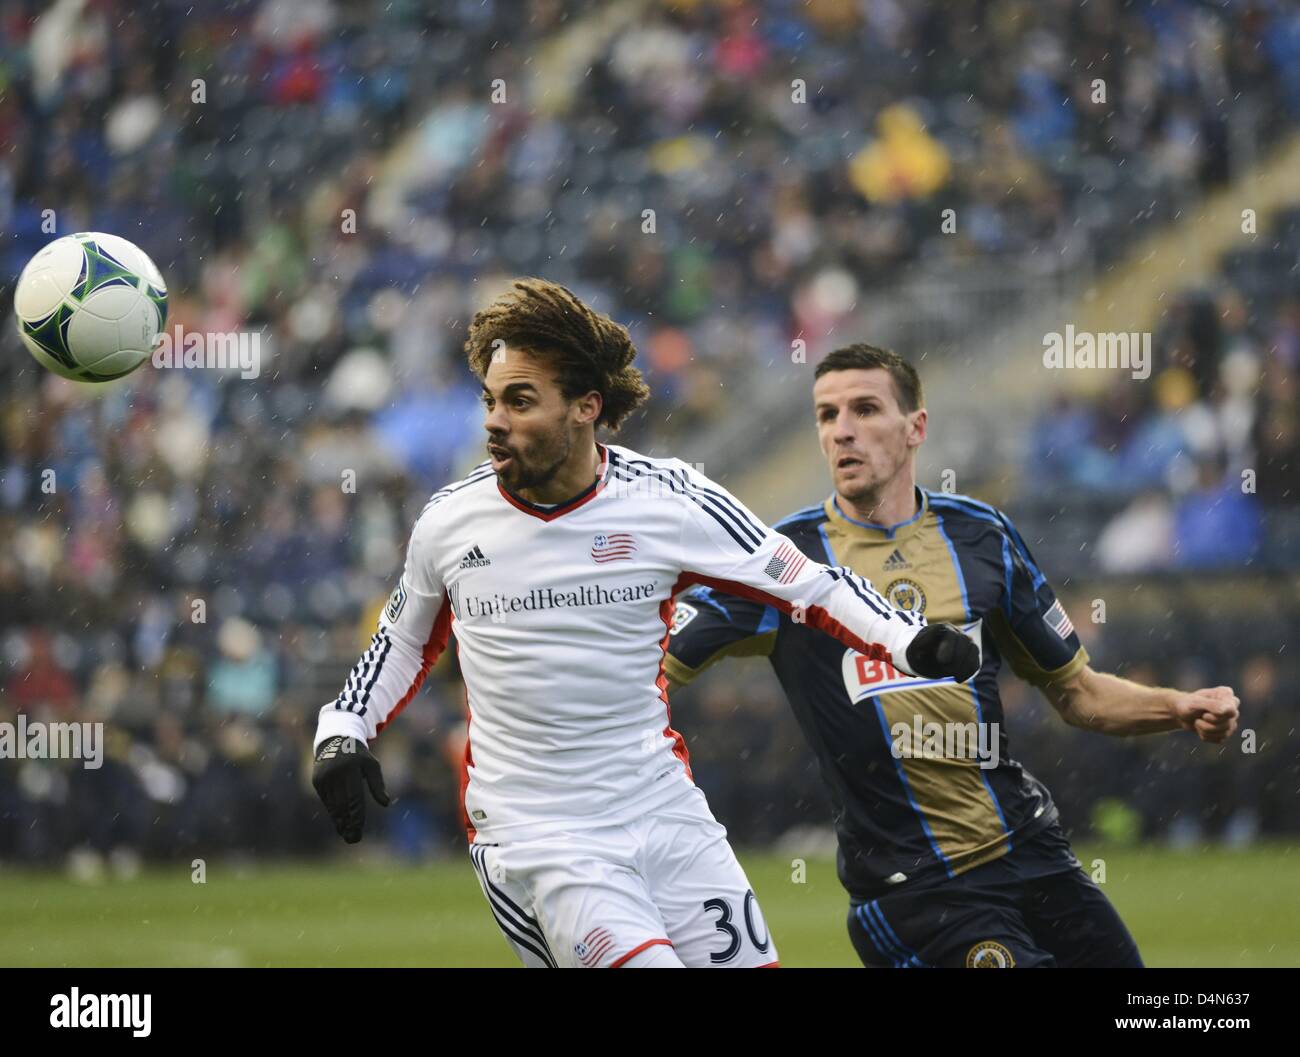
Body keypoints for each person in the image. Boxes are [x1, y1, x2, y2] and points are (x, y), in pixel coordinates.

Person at [309, 284, 978, 969]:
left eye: (519, 401)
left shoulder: (667, 500)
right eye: (489, 400)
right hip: (541, 837)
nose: (494, 422)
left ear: (585, 407)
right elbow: (403, 640)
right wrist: (343, 729)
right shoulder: (451, 522)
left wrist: (907, 639)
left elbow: (804, 582)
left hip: (665, 814)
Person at [664, 343, 1240, 968]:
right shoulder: (780, 560)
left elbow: (1080, 694)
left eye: (864, 409)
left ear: (916, 429)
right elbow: (649, 662)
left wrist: (1180, 706)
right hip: (917, 890)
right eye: (827, 416)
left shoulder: (983, 536)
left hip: (1031, 851)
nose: (843, 431)